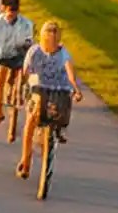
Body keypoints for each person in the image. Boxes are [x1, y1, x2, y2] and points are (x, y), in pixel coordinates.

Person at [17, 21, 84, 178]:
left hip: (57, 88)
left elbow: (70, 74)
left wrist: (76, 89)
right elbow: (25, 73)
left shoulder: (63, 54)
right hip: (40, 87)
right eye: (48, 39)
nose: (50, 44)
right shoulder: (35, 51)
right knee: (31, 120)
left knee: (62, 105)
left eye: (53, 40)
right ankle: (26, 160)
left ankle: (59, 128)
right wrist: (20, 90)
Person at [0, 0, 34, 127]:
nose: (12, 14)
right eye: (10, 10)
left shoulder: (26, 23)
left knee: (25, 73)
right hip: (3, 54)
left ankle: (21, 92)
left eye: (15, 10)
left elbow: (29, 43)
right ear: (3, 9)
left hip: (19, 53)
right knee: (0, 78)